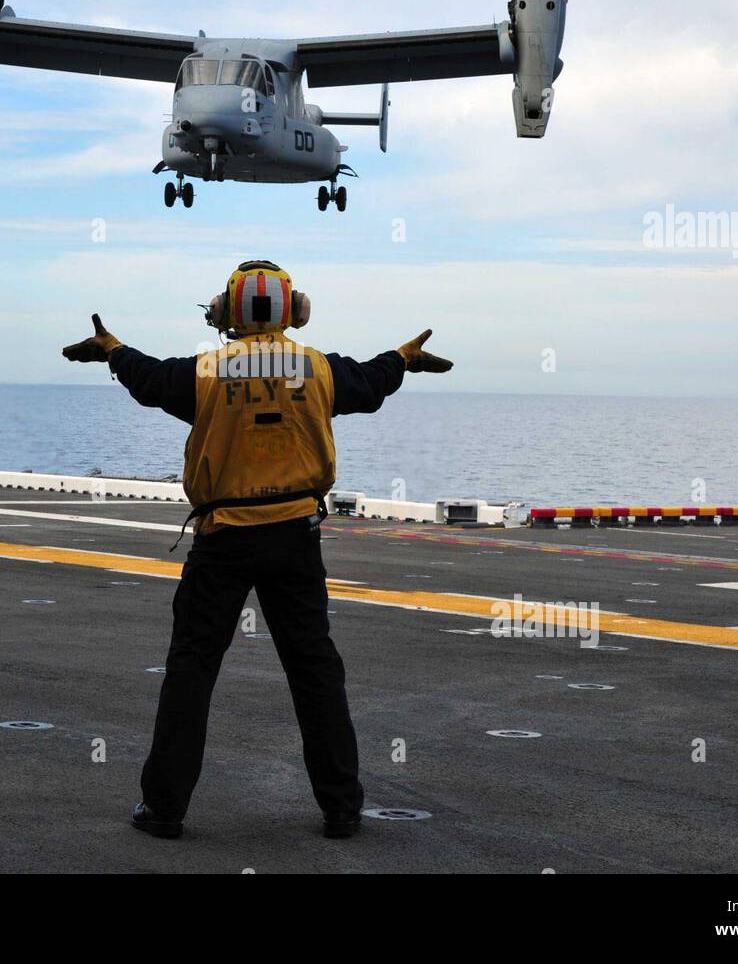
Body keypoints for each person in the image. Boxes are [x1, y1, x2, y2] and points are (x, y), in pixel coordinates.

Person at [62, 259, 453, 838]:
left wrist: (113, 349)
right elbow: (371, 381)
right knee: (315, 671)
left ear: (226, 311)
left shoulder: (206, 370)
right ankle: (342, 808)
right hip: (294, 536)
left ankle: (165, 807)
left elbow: (148, 379)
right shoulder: (318, 368)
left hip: (224, 538)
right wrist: (402, 358)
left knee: (192, 669)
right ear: (296, 310)